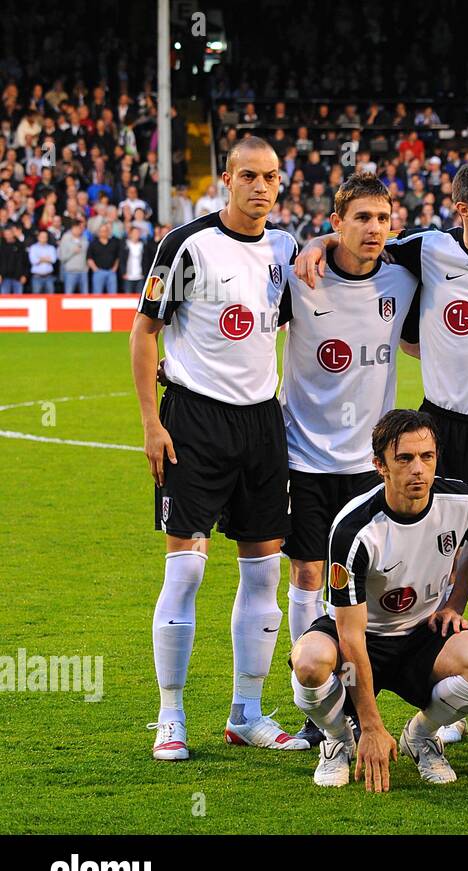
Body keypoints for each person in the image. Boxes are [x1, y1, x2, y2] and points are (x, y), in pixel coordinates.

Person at [295, 158, 468, 747]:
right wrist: (319, 238)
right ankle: (402, 678)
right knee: (422, 549)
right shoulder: (427, 249)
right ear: (462, 210)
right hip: (440, 425)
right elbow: (365, 242)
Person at [130, 136, 303, 760]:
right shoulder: (185, 245)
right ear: (226, 179)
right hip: (195, 421)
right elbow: (145, 332)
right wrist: (153, 423)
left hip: (262, 424)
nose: (261, 187)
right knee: (188, 569)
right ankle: (170, 714)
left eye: (272, 177)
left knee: (263, 573)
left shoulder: (284, 249)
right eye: (249, 176)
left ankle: (246, 712)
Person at [278, 173, 420, 744]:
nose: (373, 229)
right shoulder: (300, 274)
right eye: (360, 218)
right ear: (335, 223)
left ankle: (367, 687)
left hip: (370, 463)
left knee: (367, 585)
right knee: (308, 573)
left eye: (382, 219)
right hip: (303, 455)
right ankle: (311, 705)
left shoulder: (405, 277)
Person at [290, 409, 468, 788]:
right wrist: (370, 726)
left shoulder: (465, 502)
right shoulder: (354, 529)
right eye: (404, 459)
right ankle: (338, 739)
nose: (418, 469)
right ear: (380, 466)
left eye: (427, 457)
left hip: (421, 635)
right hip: (361, 636)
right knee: (309, 663)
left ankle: (421, 736)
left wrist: (455, 604)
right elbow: (351, 636)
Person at [87, 223, 121, 294]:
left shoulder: (114, 243)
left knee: (113, 294)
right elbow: (89, 258)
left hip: (111, 272)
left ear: (108, 232)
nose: (103, 233)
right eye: (101, 231)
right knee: (97, 294)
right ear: (99, 232)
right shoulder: (93, 243)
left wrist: (114, 268)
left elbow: (117, 257)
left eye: (105, 231)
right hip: (98, 272)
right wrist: (95, 269)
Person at [58, 220, 89, 293]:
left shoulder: (85, 239)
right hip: (70, 272)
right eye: (79, 228)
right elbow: (62, 258)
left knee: (85, 295)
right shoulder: (66, 239)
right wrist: (73, 252)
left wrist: (87, 267)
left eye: (82, 228)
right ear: (73, 228)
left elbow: (88, 255)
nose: (81, 230)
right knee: (69, 294)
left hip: (83, 272)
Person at [27, 229, 57, 294]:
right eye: (41, 236)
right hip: (37, 277)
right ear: (38, 237)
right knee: (36, 299)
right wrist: (46, 259)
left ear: (47, 238)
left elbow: (53, 260)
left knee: (51, 298)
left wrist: (40, 258)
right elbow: (33, 261)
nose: (43, 238)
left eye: (45, 237)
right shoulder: (33, 248)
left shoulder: (51, 248)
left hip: (49, 277)